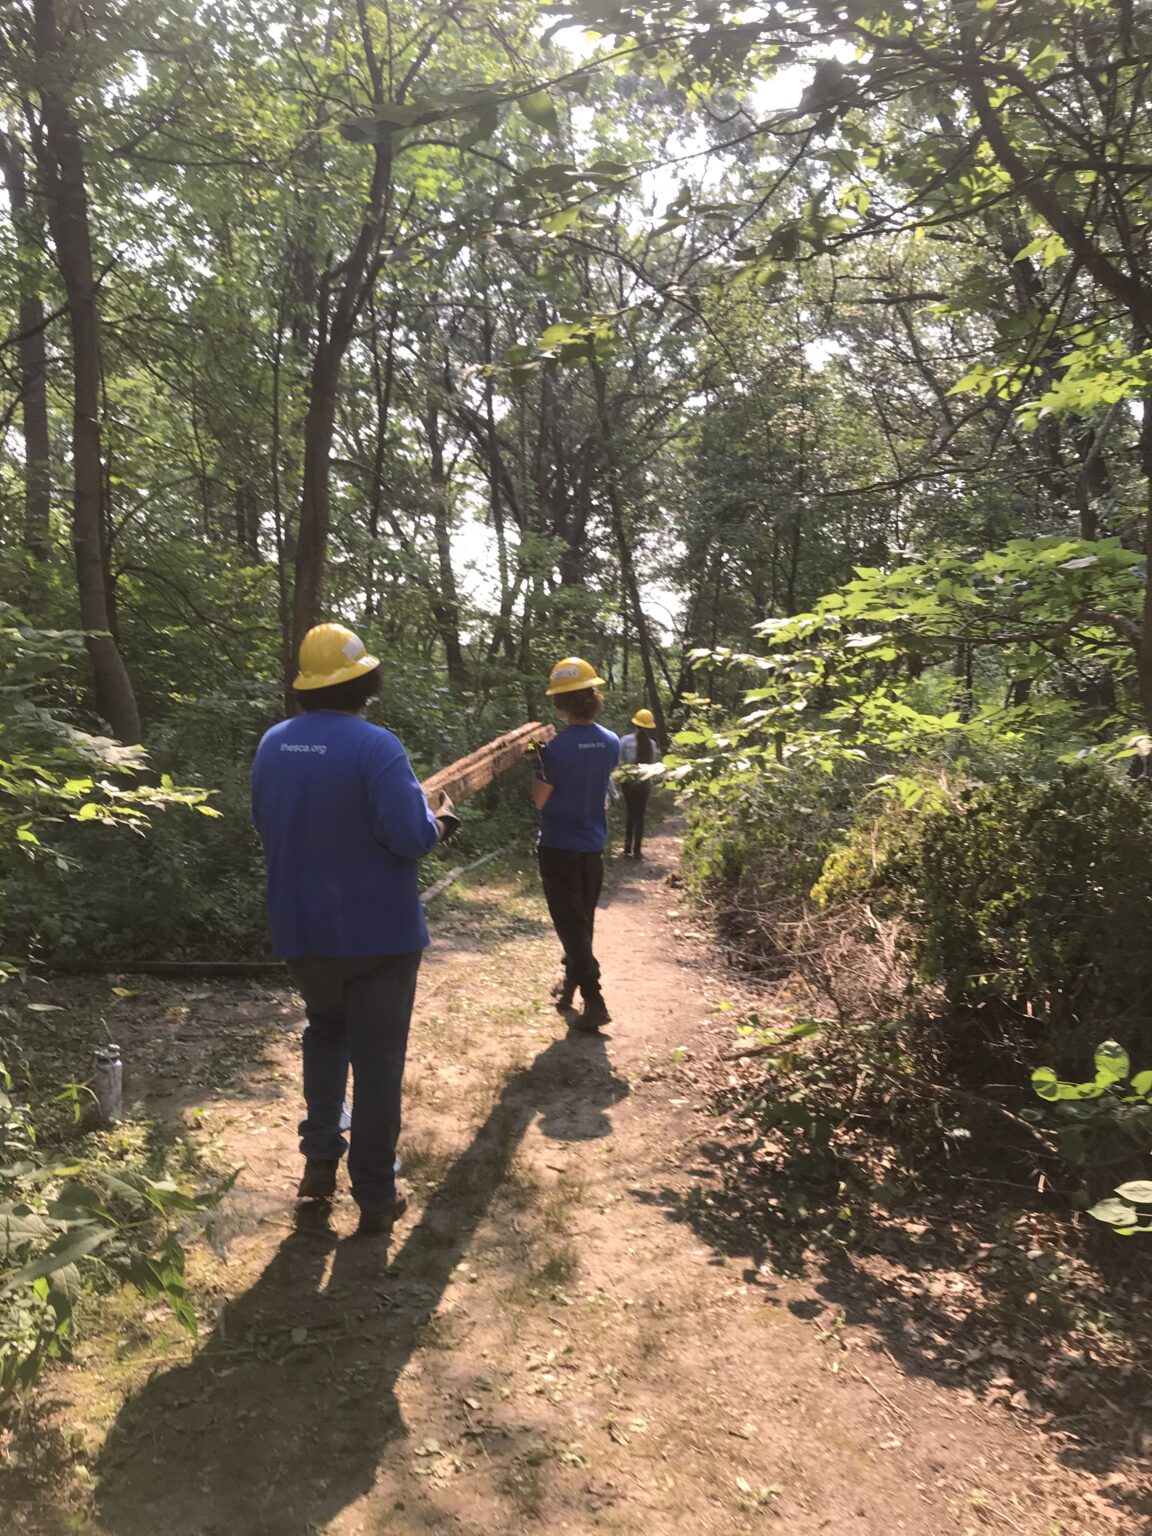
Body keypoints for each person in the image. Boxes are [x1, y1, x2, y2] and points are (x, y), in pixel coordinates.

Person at [251, 623, 458, 1237]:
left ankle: (318, 1164)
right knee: (377, 1062)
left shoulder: (272, 744)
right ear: (365, 681)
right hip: (378, 939)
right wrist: (442, 821)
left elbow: (268, 824)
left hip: (301, 930)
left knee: (325, 1032)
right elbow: (410, 837)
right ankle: (374, 1194)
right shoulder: (377, 746)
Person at [530, 657, 620, 1033]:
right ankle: (570, 988)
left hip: (557, 846)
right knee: (582, 920)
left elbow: (540, 799)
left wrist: (536, 764)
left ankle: (594, 999)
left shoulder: (555, 749)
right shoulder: (611, 742)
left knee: (570, 925)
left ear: (560, 704)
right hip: (592, 846)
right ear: (593, 697)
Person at [617, 707, 660, 858]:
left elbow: (620, 761)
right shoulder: (652, 744)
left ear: (636, 724)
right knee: (640, 815)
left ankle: (627, 846)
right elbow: (652, 763)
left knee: (630, 812)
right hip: (644, 781)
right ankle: (638, 849)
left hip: (628, 781)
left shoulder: (625, 740)